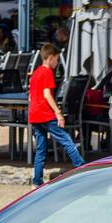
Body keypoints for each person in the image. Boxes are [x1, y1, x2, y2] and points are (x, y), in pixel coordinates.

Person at [28, 43, 85, 187]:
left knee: (41, 149)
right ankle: (82, 168)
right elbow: (47, 94)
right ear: (51, 57)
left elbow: (30, 96)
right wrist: (58, 113)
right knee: (66, 140)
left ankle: (37, 181)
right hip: (45, 114)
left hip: (34, 115)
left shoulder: (35, 73)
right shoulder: (47, 72)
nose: (58, 62)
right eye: (57, 59)